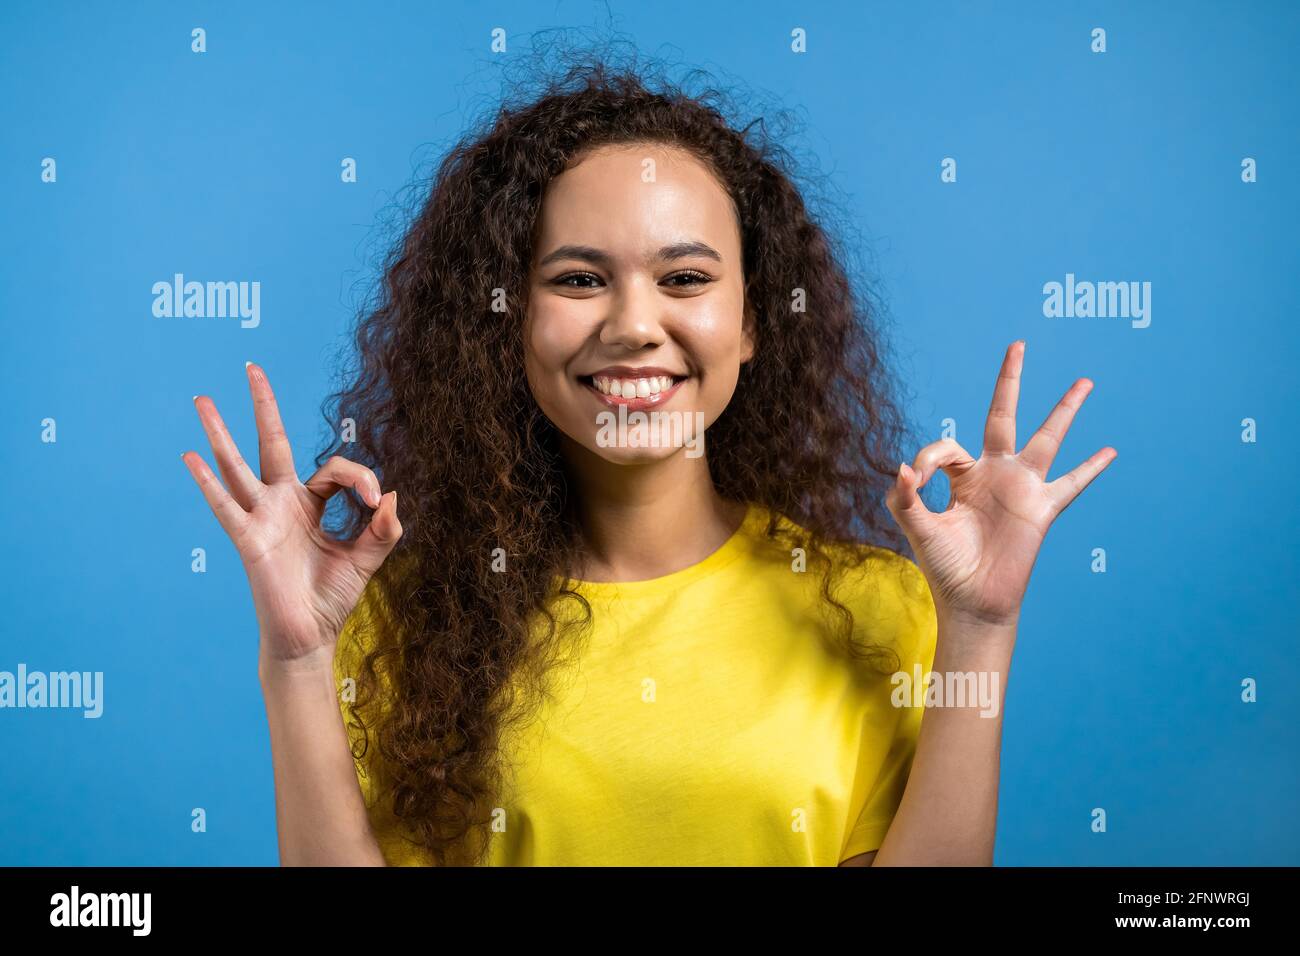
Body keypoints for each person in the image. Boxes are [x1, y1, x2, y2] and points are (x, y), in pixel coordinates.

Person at [181, 57, 1115, 866]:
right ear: (507, 320)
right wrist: (298, 663)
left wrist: (981, 628)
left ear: (751, 323)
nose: (634, 324)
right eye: (580, 279)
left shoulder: (882, 610)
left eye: (686, 278)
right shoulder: (408, 627)